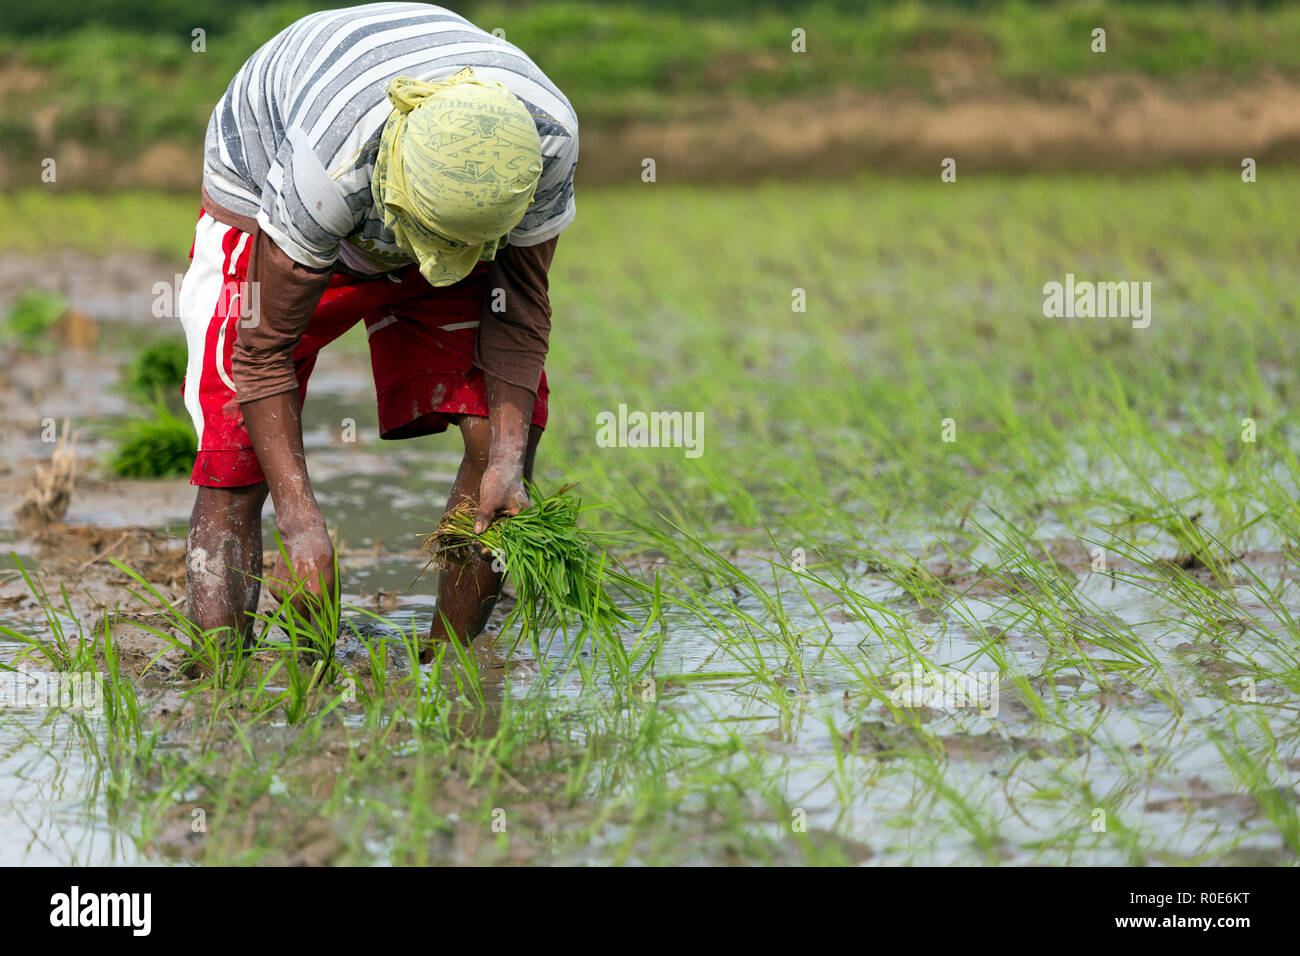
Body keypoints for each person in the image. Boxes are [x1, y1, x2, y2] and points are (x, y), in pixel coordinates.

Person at [178, 2, 578, 663]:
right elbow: (261, 354)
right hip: (270, 201)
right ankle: (220, 690)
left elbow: (521, 312)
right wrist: (303, 527)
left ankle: (449, 671)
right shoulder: (327, 166)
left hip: (443, 196)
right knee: (236, 457)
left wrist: (506, 464)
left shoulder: (546, 146)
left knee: (504, 430)